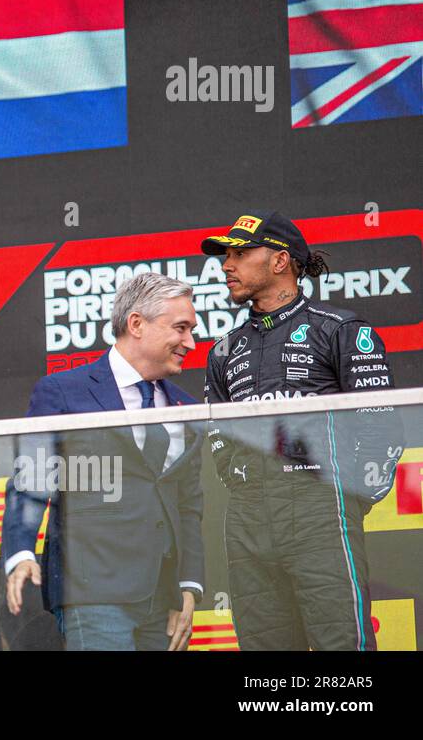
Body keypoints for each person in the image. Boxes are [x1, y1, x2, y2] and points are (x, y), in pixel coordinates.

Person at [201, 212, 403, 650]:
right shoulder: (224, 350)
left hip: (319, 515)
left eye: (239, 253)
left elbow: (381, 423)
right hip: (247, 519)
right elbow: (217, 434)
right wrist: (241, 480)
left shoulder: (339, 330)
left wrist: (344, 502)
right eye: (225, 256)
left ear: (280, 261)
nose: (226, 266)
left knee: (342, 644)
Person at [2, 273, 204, 650]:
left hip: (164, 601)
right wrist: (21, 552)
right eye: (181, 328)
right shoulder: (62, 391)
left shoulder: (185, 407)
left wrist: (188, 586)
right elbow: (30, 479)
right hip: (92, 592)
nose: (191, 342)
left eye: (192, 330)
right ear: (137, 324)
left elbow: (189, 505)